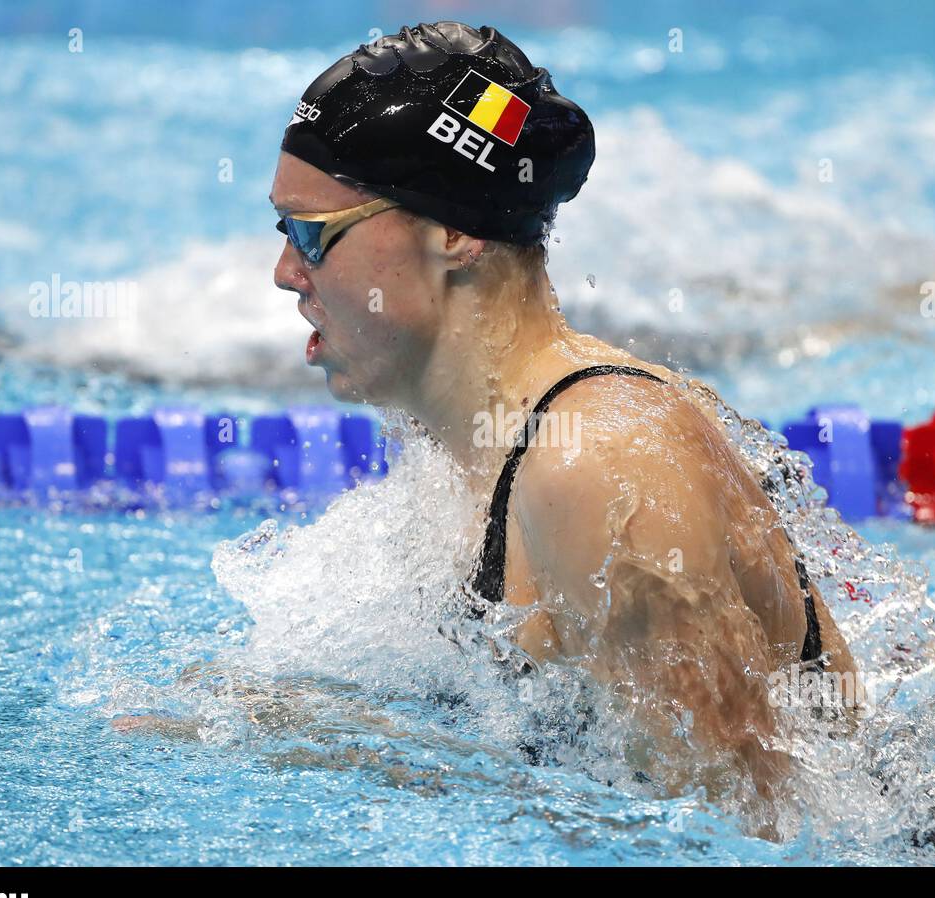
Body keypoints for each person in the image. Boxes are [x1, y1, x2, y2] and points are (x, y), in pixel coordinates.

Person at [270, 21, 858, 807]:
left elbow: (753, 824)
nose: (283, 273)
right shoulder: (480, 449)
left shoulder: (599, 466)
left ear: (453, 234)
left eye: (313, 236)